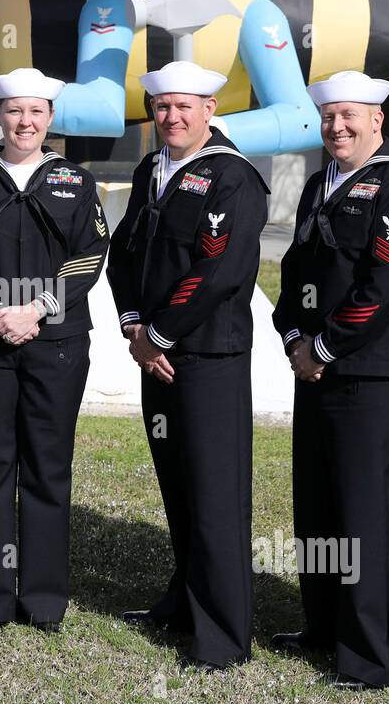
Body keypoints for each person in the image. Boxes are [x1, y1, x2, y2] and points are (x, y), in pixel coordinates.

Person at [269, 70, 389, 690]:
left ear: (377, 121)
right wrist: (293, 337)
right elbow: (295, 270)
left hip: (373, 376)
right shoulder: (321, 182)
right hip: (315, 372)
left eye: (349, 116)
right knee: (318, 507)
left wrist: (323, 345)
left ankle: (372, 657)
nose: (337, 127)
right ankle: (323, 626)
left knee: (367, 516)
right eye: (328, 117)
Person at [106, 60, 270, 670]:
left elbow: (218, 270)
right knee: (179, 488)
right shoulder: (153, 168)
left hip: (206, 358)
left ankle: (224, 635)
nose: (172, 117)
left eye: (184, 107)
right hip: (156, 353)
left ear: (210, 110)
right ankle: (183, 602)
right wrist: (132, 325)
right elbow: (125, 253)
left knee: (215, 495)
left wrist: (161, 335)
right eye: (162, 108)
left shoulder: (234, 177)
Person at [0, 68, 109, 632]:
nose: (25, 122)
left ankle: (43, 598)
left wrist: (33, 310)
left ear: (50, 119)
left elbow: (88, 258)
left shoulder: (77, 183)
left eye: (36, 112)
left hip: (53, 343)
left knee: (47, 468)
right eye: (14, 112)